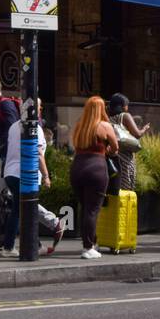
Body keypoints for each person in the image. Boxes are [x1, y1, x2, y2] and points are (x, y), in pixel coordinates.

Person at [0, 98, 64, 256]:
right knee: (27, 207)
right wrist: (46, 176)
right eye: (39, 106)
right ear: (36, 109)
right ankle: (49, 229)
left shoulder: (14, 126)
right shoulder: (36, 127)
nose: (41, 109)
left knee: (18, 209)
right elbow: (39, 153)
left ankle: (11, 246)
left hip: (10, 173)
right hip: (25, 175)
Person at [70, 96, 119, 259]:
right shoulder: (104, 126)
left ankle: (91, 242)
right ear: (101, 109)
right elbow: (115, 147)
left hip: (77, 168)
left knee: (85, 208)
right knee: (92, 210)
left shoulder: (79, 127)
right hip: (96, 168)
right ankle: (88, 247)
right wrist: (109, 150)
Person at [107, 93, 149, 192]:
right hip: (125, 157)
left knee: (116, 188)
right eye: (126, 104)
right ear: (122, 105)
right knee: (127, 189)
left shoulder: (108, 118)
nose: (127, 107)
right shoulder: (125, 116)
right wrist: (144, 129)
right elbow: (137, 134)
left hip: (113, 157)